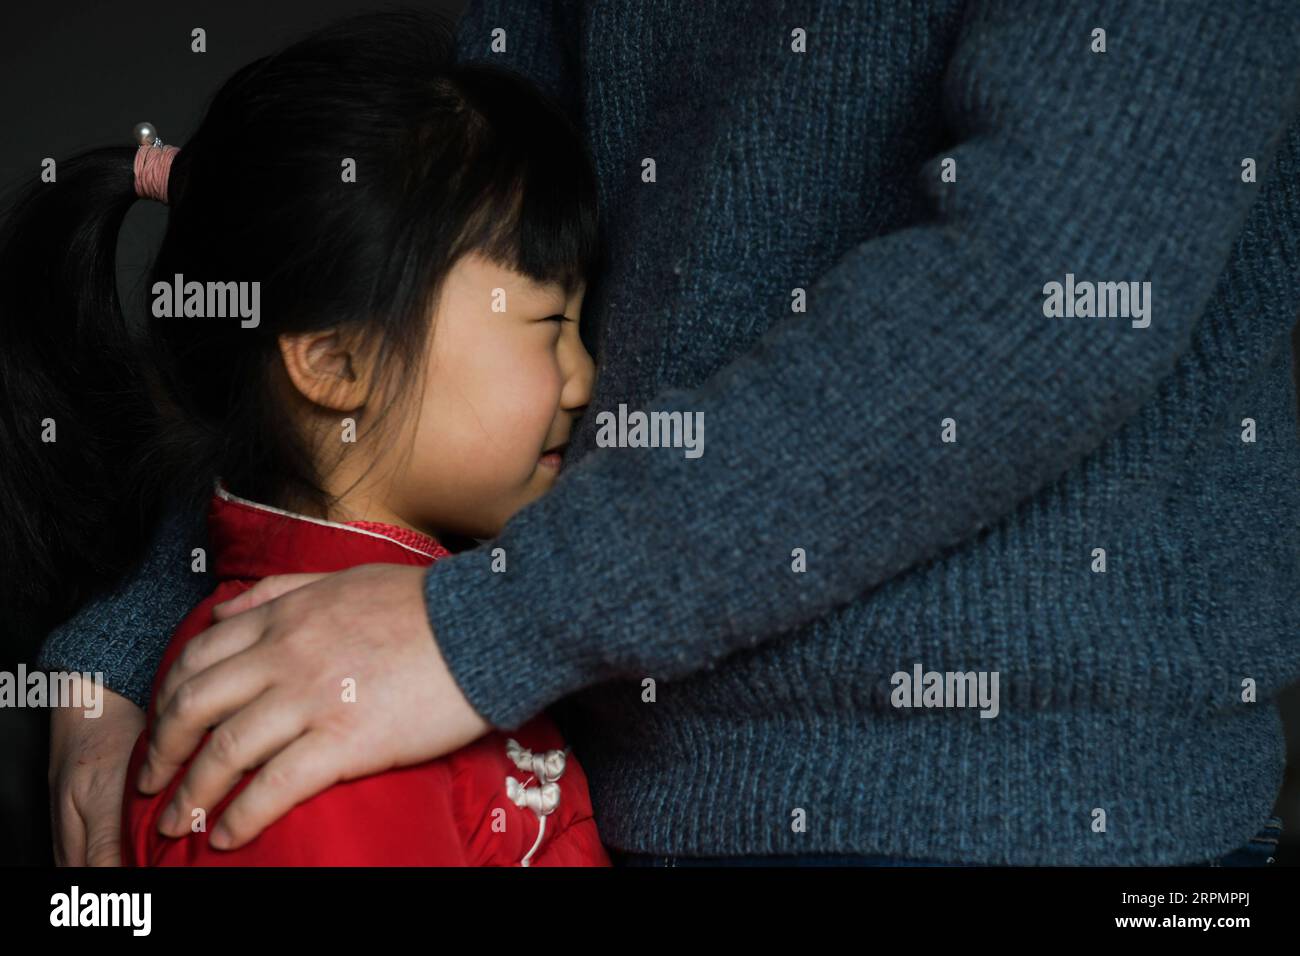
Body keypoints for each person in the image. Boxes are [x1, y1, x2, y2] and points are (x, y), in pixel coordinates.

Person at [36, 0, 1300, 866]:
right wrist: (171, 617)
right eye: (551, 323)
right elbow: (403, 230)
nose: (588, 379)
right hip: (602, 742)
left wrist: (488, 624)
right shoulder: (312, 771)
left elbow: (1056, 287)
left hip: (1030, 809)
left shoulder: (437, 658)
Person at [2, 11, 609, 866]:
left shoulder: (383, 655)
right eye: (548, 321)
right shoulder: (318, 733)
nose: (586, 379)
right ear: (335, 365)